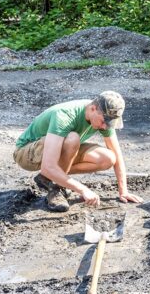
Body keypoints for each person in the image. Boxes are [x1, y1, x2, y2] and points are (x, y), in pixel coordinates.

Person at [13, 91, 142, 212]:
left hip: (55, 149)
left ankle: (49, 178)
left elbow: (117, 155)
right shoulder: (65, 115)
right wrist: (83, 189)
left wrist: (123, 190)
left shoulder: (101, 116)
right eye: (103, 121)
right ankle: (55, 188)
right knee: (72, 139)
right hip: (26, 153)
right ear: (93, 108)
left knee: (108, 158)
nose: (104, 127)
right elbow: (48, 166)